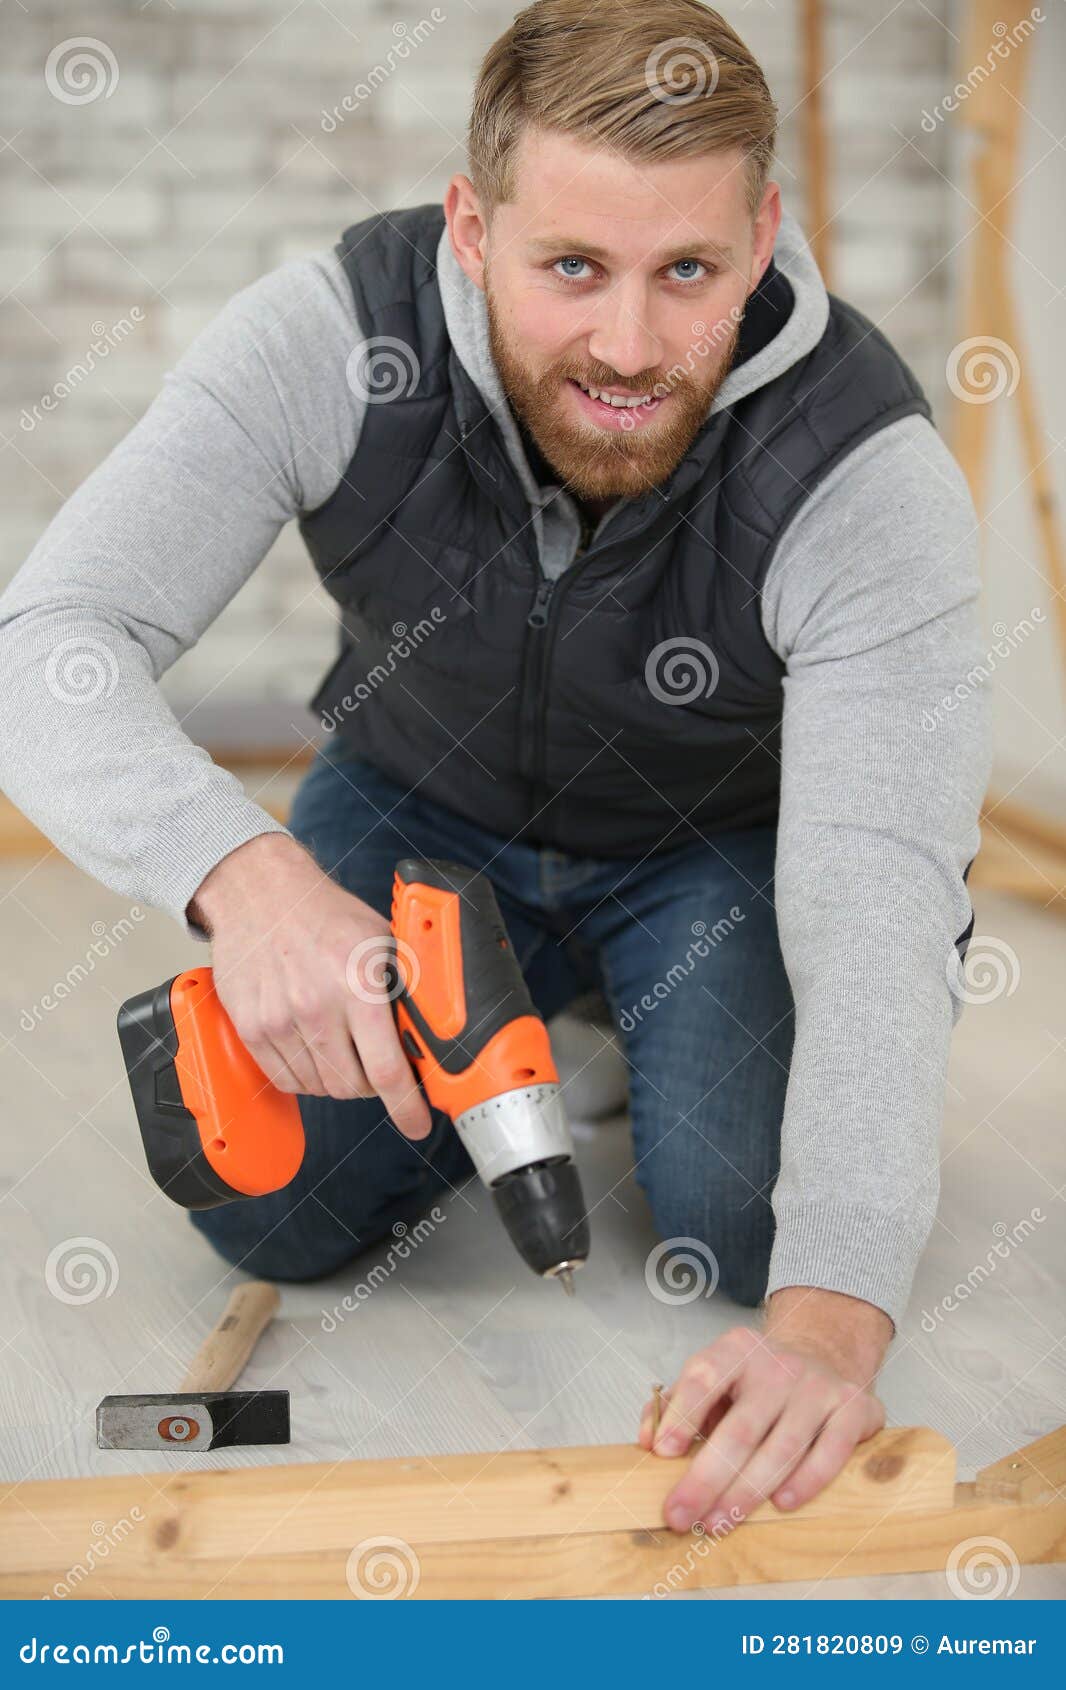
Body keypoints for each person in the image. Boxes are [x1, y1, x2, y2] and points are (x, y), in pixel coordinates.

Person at [0, 0, 991, 1536]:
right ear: (472, 223)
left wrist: (829, 1319)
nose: (629, 347)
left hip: (709, 847)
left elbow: (874, 895)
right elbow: (47, 636)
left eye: (689, 273)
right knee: (276, 1209)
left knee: (748, 1224)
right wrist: (246, 881)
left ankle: (589, 1029)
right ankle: (528, 1033)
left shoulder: (861, 469)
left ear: (763, 231)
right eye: (571, 268)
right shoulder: (333, 337)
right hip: (418, 809)